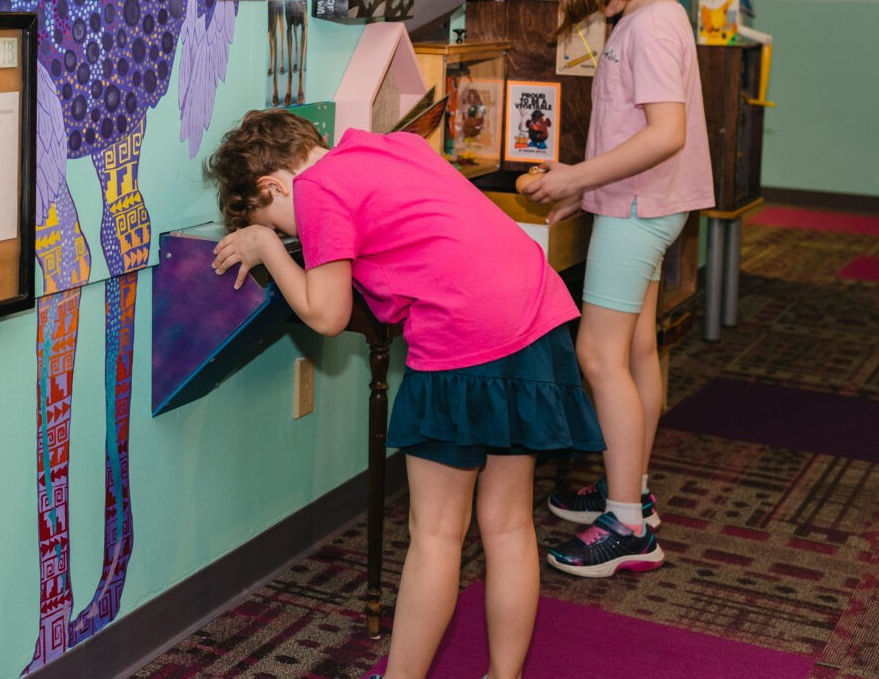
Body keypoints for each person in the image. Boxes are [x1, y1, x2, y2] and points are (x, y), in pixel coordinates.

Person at [205, 110, 602, 679]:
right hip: (535, 313)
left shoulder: (314, 189)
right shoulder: (390, 146)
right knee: (509, 521)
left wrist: (267, 245)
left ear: (272, 185)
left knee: (437, 531)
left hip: (466, 336)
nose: (297, 236)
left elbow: (326, 312)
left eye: (280, 220)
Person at [522, 0, 714, 577]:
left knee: (598, 355)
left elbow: (666, 133)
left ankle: (627, 524)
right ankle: (628, 488)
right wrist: (588, 185)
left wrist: (579, 181)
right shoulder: (650, 13)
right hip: (639, 202)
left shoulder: (650, 25)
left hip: (640, 210)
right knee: (635, 350)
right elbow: (632, 133)